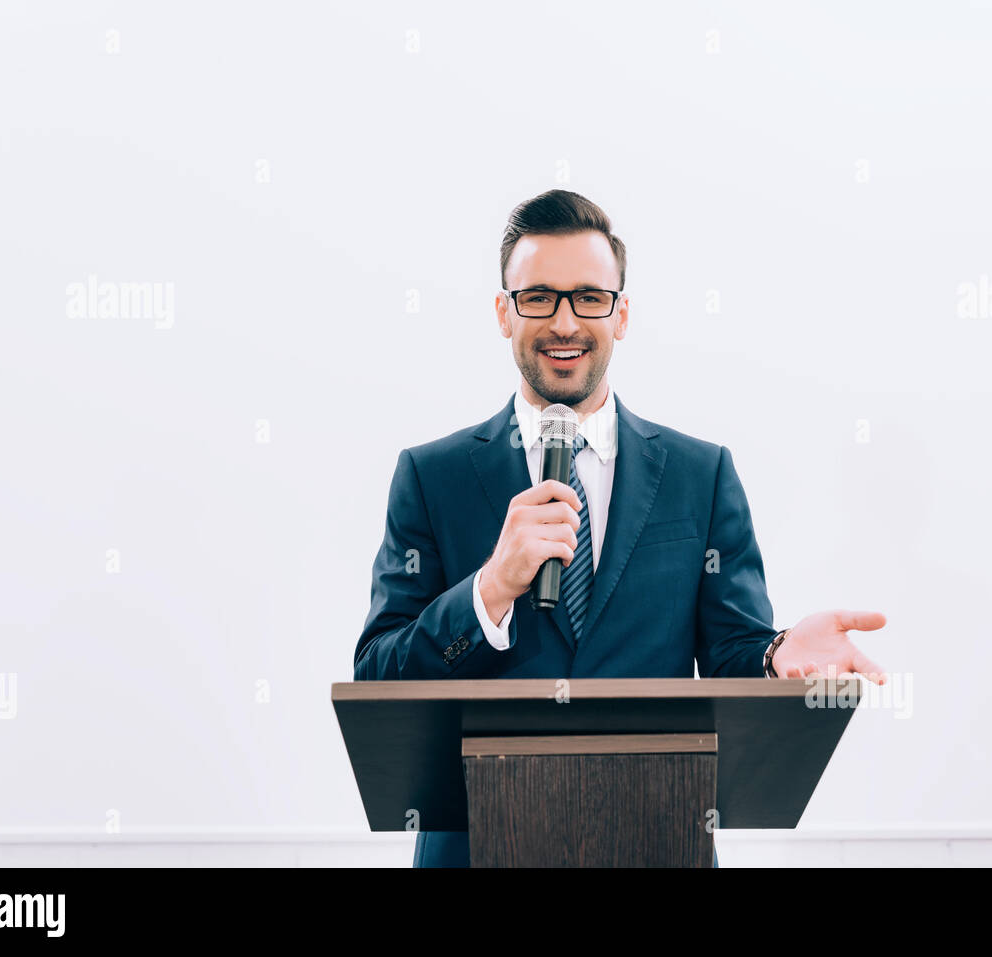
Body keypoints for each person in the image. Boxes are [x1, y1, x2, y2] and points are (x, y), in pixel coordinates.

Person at [354, 189, 888, 867]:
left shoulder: (702, 475)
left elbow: (732, 652)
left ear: (622, 313)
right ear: (503, 312)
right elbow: (378, 679)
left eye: (590, 297)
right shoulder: (431, 477)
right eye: (539, 297)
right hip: (477, 849)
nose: (565, 321)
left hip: (655, 842)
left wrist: (774, 655)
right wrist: (489, 591)